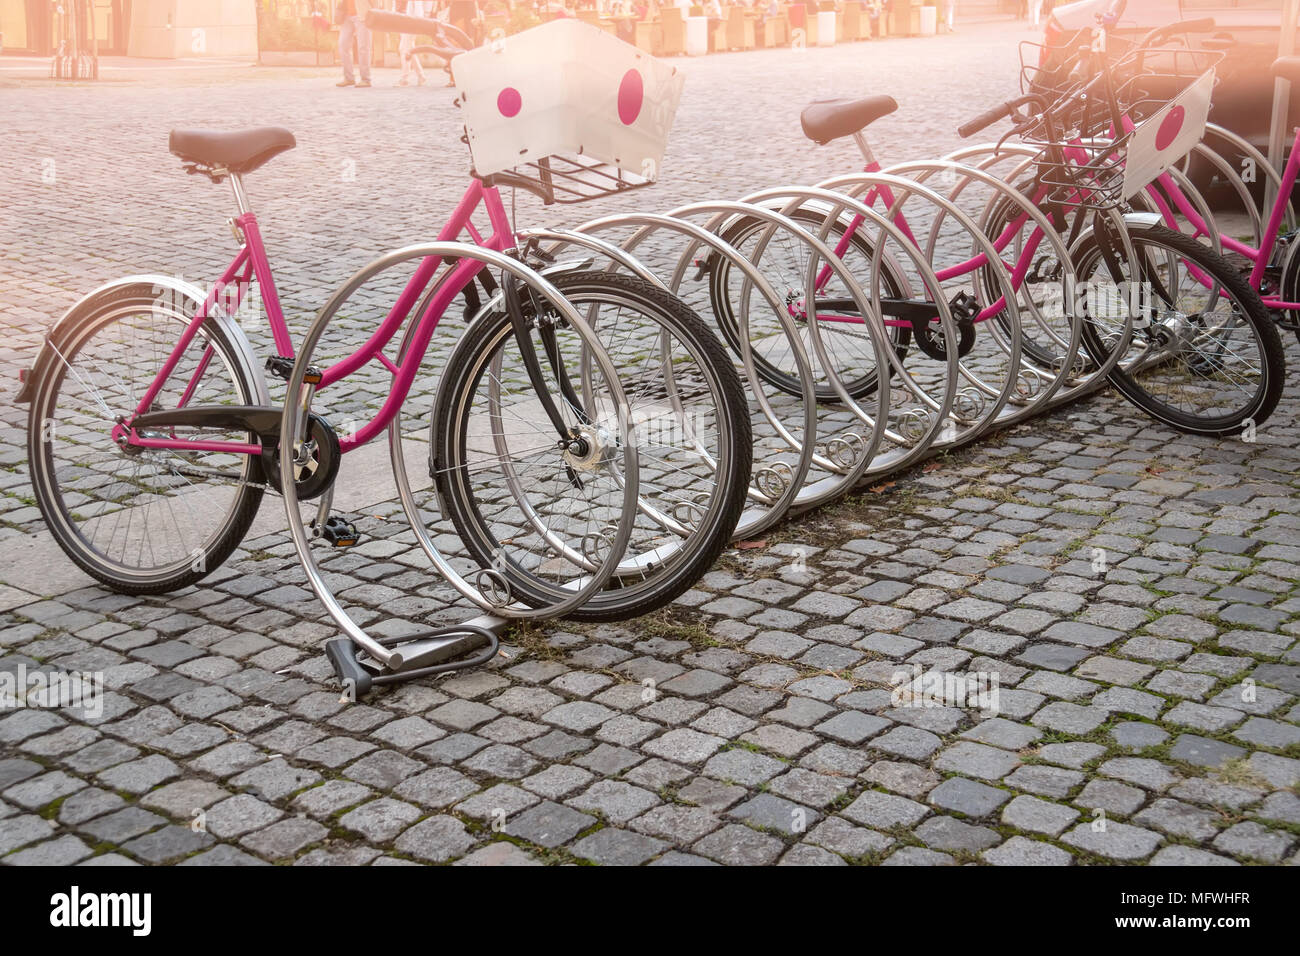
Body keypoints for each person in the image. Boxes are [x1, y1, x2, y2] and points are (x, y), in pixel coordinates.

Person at [337, 0, 373, 87]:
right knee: (343, 46)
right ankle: (349, 78)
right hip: (346, 15)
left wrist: (374, 12)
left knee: (363, 47)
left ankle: (365, 79)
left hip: (362, 14)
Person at [398, 0, 429, 86]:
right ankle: (421, 76)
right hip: (406, 23)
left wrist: (415, 25)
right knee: (409, 50)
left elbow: (418, 12)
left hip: (411, 24)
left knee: (404, 48)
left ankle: (405, 79)